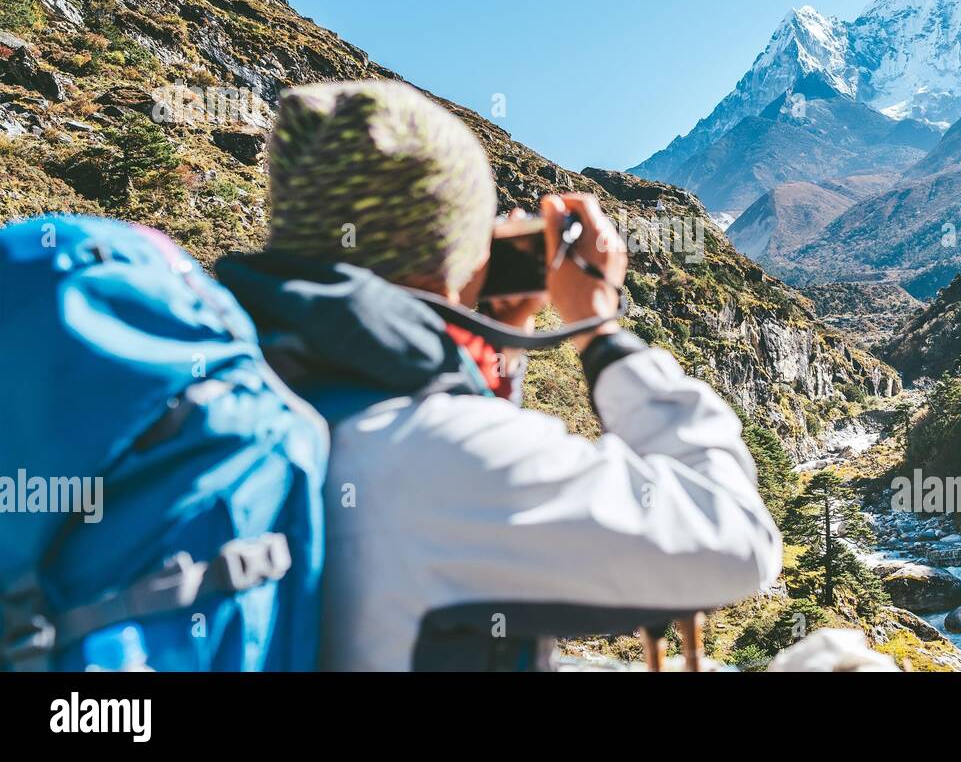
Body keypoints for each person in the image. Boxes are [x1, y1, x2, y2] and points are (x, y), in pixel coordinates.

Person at [215, 79, 782, 671]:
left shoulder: (236, 389)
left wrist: (496, 349)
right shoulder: (434, 454)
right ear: (456, 254)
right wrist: (598, 326)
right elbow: (734, 539)